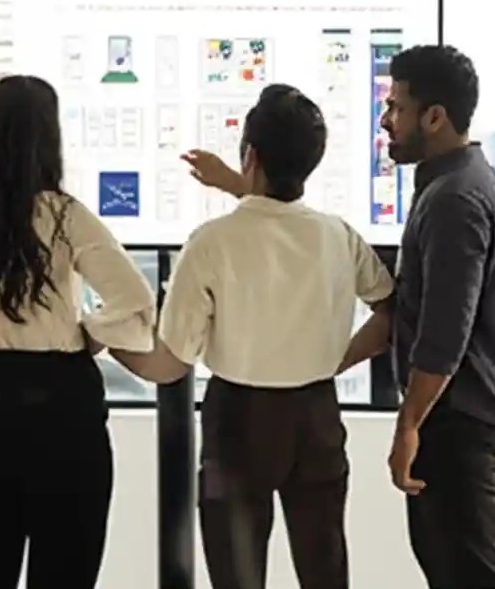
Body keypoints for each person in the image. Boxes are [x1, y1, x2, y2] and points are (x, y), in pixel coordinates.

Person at [114, 84, 394, 589]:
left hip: (238, 422)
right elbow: (389, 314)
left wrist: (103, 334)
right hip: (317, 415)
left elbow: (169, 363)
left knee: (237, 578)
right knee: (325, 572)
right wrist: (335, 360)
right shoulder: (338, 235)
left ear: (250, 156)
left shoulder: (211, 242)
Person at [0, 74, 157, 588]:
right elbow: (135, 300)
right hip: (62, 403)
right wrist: (90, 333)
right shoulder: (64, 215)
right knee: (65, 572)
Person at [362, 45, 495, 589]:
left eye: (396, 106)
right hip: (457, 415)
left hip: (456, 420)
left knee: (469, 577)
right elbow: (411, 313)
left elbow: (444, 333)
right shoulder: (458, 181)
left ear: (434, 117)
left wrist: (408, 423)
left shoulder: (454, 198)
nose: (385, 120)